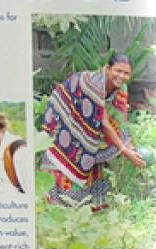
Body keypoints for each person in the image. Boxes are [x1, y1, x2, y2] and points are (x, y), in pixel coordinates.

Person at [39, 54, 147, 208]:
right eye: (118, 71)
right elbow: (103, 124)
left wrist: (130, 147)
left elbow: (119, 119)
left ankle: (87, 207)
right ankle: (57, 205)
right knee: (64, 154)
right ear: (108, 69)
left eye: (126, 73)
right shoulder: (94, 85)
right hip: (65, 114)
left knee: (91, 150)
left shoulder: (121, 88)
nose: (122, 76)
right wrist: (124, 150)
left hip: (88, 121)